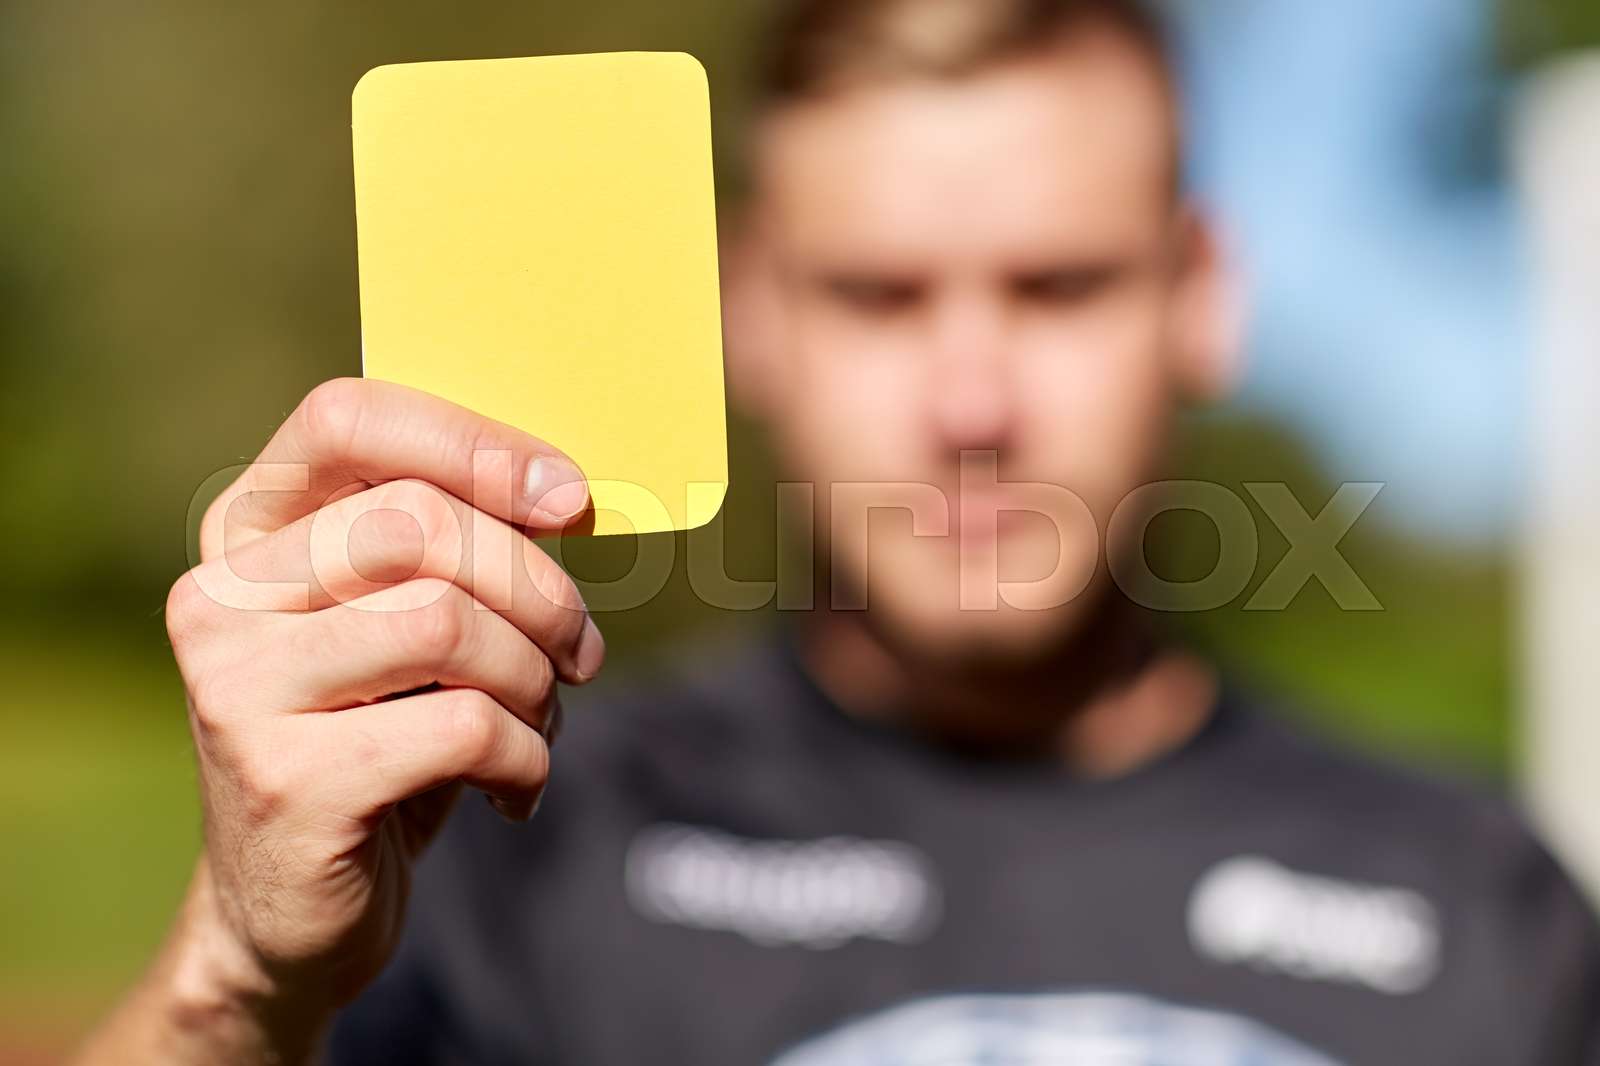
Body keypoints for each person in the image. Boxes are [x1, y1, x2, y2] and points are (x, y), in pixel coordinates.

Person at [74, 0, 1600, 1063]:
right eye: (879, 294)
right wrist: (235, 978)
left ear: (1200, 296)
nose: (971, 399)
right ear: (744, 310)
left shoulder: (1476, 892)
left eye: (1059, 286)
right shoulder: (502, 835)